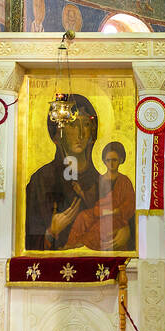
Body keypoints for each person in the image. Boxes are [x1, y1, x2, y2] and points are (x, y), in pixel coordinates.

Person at [24, 94, 101, 250]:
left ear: (92, 133)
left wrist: (123, 231)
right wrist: (51, 232)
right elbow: (26, 240)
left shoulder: (102, 181)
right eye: (72, 125)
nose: (81, 134)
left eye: (85, 124)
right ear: (57, 134)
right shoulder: (41, 180)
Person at [66, 141, 135, 251]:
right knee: (82, 216)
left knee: (99, 227)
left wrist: (115, 211)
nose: (111, 163)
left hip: (116, 217)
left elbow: (130, 203)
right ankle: (71, 244)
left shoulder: (124, 181)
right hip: (99, 212)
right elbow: (92, 201)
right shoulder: (100, 179)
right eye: (108, 160)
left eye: (114, 160)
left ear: (121, 160)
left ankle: (82, 244)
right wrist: (81, 193)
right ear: (103, 161)